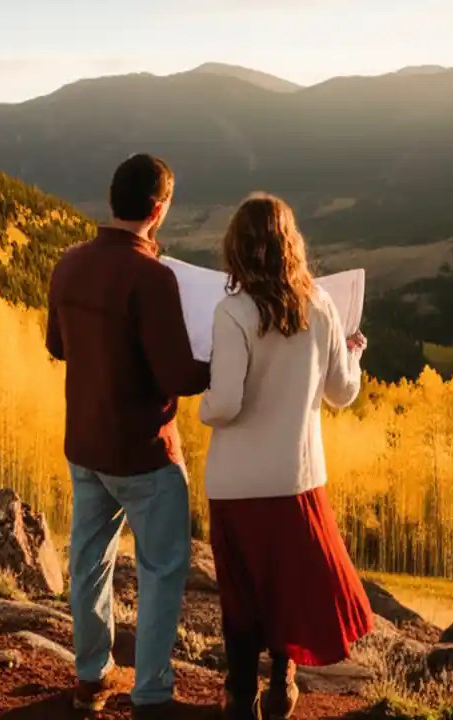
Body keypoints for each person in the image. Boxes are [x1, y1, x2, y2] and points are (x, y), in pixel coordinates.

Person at [45, 153, 210, 719]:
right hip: (144, 454)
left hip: (86, 446)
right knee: (162, 570)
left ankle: (91, 678)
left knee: (89, 563)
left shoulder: (67, 264)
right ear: (159, 209)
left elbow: (57, 345)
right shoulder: (153, 277)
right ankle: (151, 692)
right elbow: (179, 378)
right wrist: (223, 359)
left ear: (114, 199)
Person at [199, 193, 373, 720]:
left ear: (237, 248)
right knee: (287, 587)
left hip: (237, 484)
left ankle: (240, 697)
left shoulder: (232, 312)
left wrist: (202, 402)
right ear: (290, 245)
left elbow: (224, 404)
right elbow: (342, 394)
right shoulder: (320, 305)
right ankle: (283, 686)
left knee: (243, 594)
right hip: (299, 479)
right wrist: (356, 353)